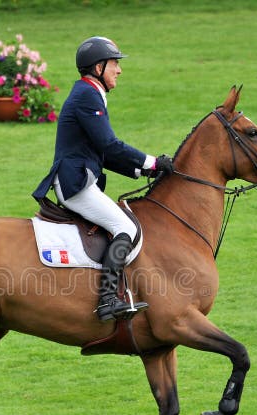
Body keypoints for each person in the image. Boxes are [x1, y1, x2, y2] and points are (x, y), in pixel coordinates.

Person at [32, 36, 173, 322]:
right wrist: (152, 162)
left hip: (79, 177)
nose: (119, 70)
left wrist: (143, 171)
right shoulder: (87, 95)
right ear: (98, 67)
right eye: (114, 64)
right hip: (74, 183)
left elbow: (101, 151)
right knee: (125, 227)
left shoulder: (90, 92)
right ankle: (108, 300)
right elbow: (109, 144)